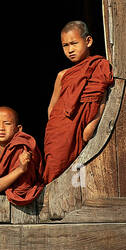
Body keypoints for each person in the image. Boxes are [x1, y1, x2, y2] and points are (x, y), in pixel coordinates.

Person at [42, 20, 113, 184]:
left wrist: (93, 123)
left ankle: (76, 199)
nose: (70, 50)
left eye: (74, 43)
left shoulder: (99, 66)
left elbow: (101, 98)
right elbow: (52, 107)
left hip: (84, 128)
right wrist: (55, 128)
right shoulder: (62, 75)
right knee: (54, 170)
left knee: (80, 170)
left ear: (88, 41)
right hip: (61, 131)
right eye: (65, 45)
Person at [0, 106, 43, 206]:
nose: (1, 128)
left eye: (7, 123)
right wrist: (20, 169)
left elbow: (25, 187)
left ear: (18, 129)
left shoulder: (24, 149)